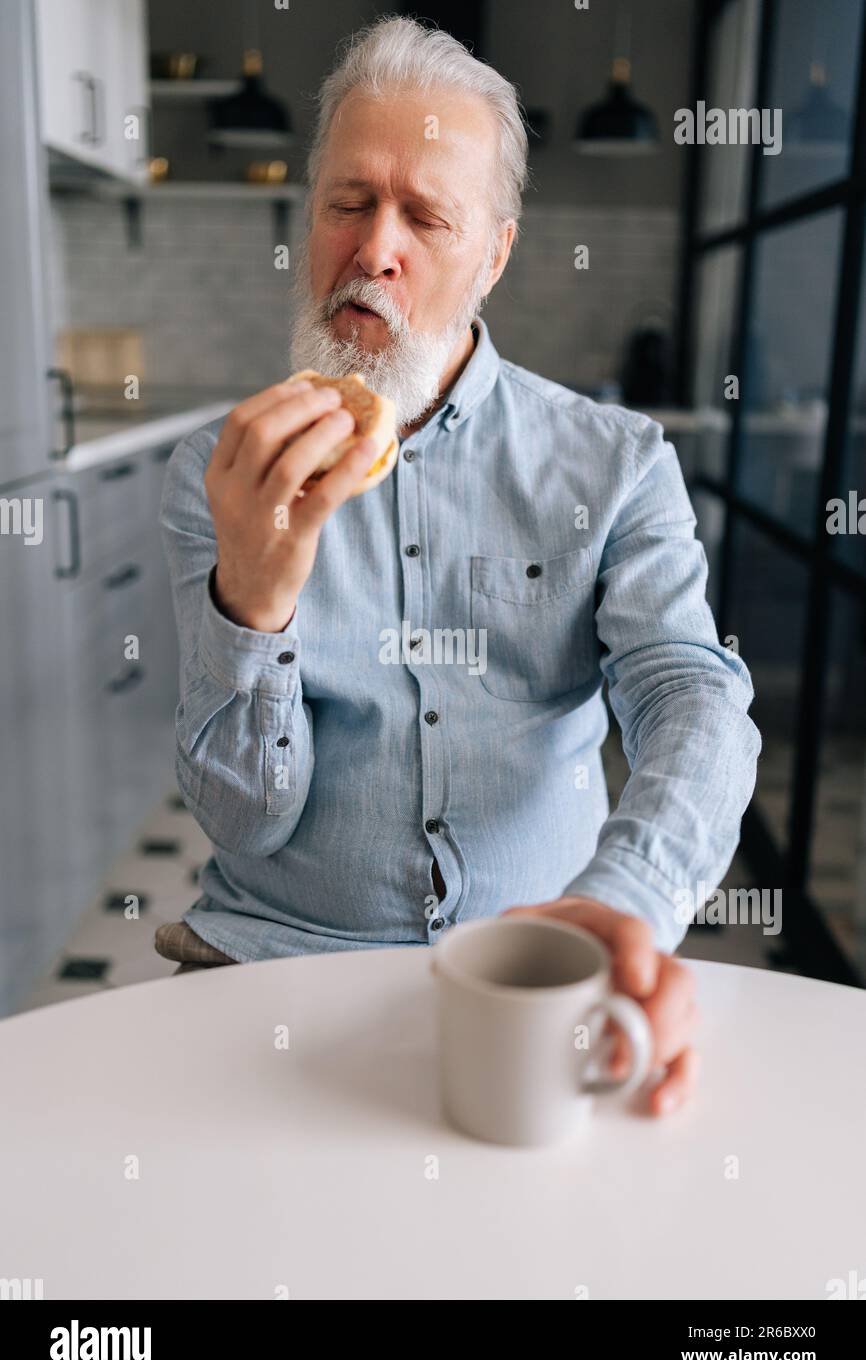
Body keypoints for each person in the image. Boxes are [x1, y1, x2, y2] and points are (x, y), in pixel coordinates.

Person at [160, 17, 761, 1116]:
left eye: (425, 215)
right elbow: (243, 818)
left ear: (491, 254)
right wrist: (252, 599)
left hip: (536, 972)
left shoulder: (616, 464)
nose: (374, 249)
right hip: (269, 966)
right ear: (311, 220)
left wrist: (624, 898)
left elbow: (692, 695)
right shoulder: (221, 470)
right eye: (348, 202)